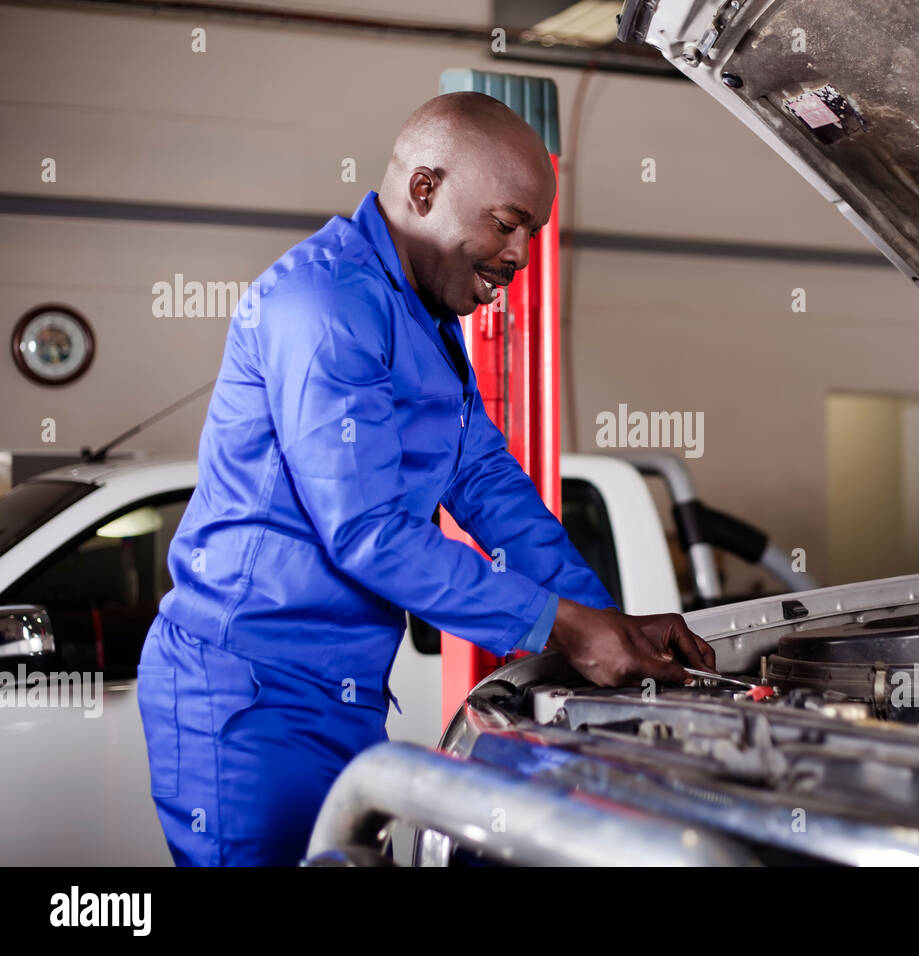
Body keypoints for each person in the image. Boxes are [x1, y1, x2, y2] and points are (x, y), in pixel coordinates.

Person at [137, 92, 715, 866]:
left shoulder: (422, 319)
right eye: (506, 223)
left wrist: (611, 625)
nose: (517, 255)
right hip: (248, 692)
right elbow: (368, 532)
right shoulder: (327, 304)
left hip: (340, 691)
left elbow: (485, 482)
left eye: (531, 234)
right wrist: (567, 630)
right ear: (423, 190)